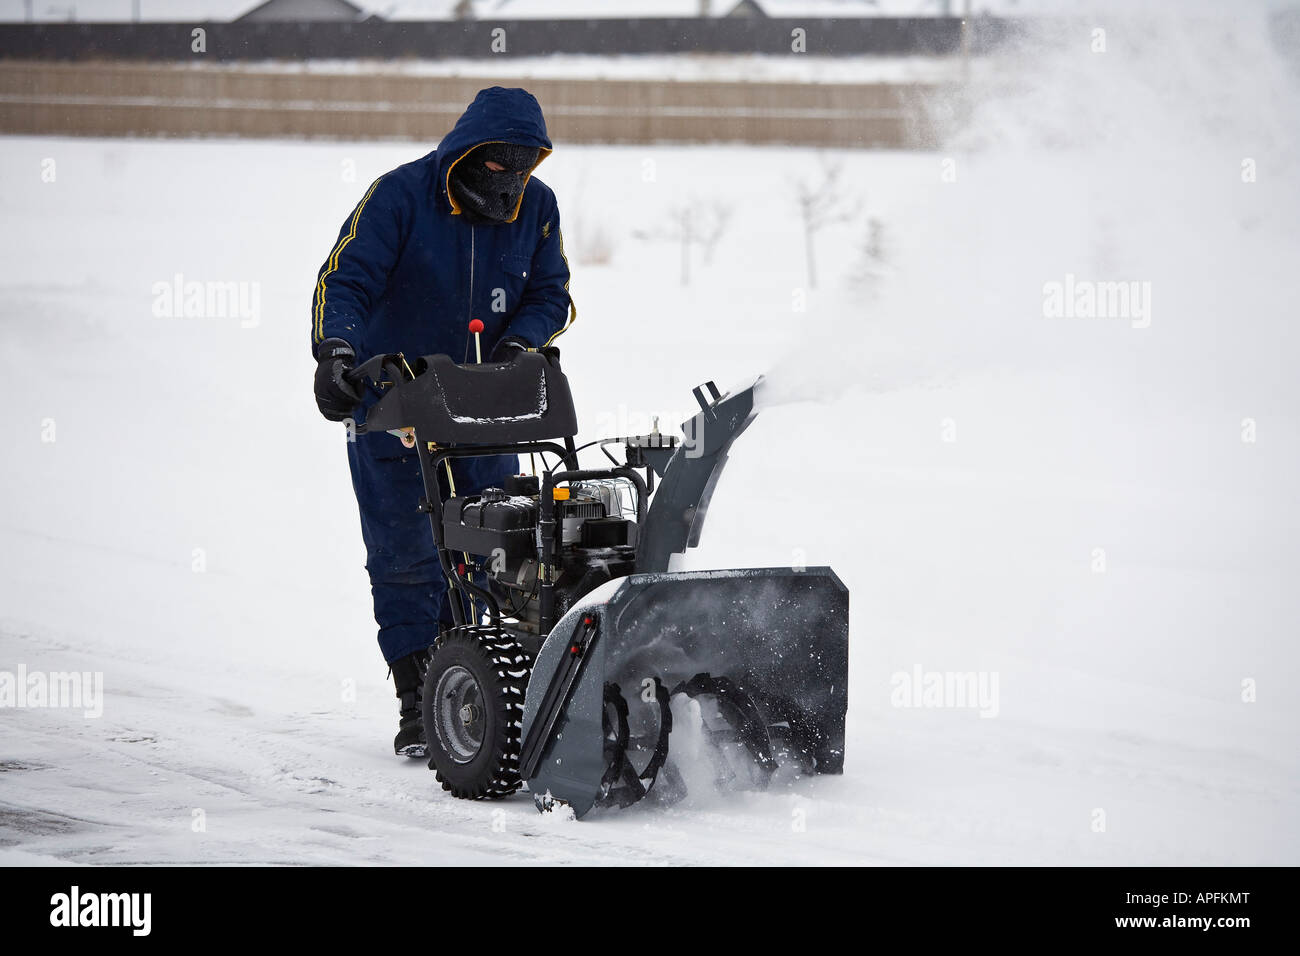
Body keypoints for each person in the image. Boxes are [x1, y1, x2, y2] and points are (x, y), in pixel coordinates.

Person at [309, 87, 575, 758]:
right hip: (396, 406)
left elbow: (552, 294)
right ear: (466, 154)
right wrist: (337, 353)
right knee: (407, 559)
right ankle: (415, 697)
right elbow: (345, 281)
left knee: (496, 549)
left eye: (522, 169)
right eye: (497, 167)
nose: (510, 183)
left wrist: (522, 344)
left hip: (488, 406)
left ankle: (485, 689)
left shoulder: (537, 209)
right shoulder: (399, 197)